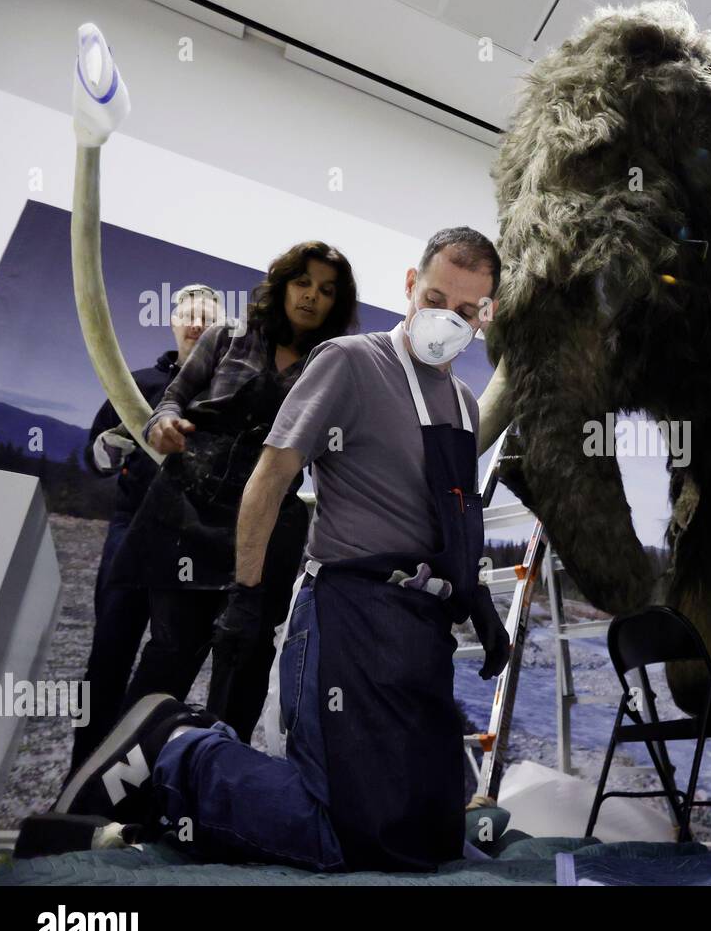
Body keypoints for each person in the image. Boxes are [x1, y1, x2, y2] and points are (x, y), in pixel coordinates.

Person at [56, 227, 510, 873]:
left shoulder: (464, 408)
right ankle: (181, 749)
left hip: (423, 635)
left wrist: (479, 599)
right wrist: (246, 596)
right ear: (411, 287)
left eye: (466, 312)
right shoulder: (348, 363)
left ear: (485, 317)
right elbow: (269, 481)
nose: (448, 320)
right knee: (346, 830)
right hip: (345, 612)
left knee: (433, 834)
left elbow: (451, 515)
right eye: (436, 298)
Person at [107, 241, 359, 744]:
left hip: (267, 531)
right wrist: (163, 421)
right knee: (168, 659)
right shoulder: (227, 336)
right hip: (186, 515)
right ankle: (119, 803)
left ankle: (210, 800)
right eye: (303, 282)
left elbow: (335, 451)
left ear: (337, 303)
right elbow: (177, 393)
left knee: (243, 666)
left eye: (326, 290)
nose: (311, 296)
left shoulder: (332, 366)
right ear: (284, 283)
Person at [68, 285, 222, 773]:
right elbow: (94, 460)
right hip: (131, 530)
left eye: (206, 314)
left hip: (195, 543)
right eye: (187, 313)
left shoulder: (232, 393)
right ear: (172, 320)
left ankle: (127, 787)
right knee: (107, 655)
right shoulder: (132, 385)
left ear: (223, 325)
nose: (195, 322)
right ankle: (78, 782)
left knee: (167, 668)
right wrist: (114, 445)